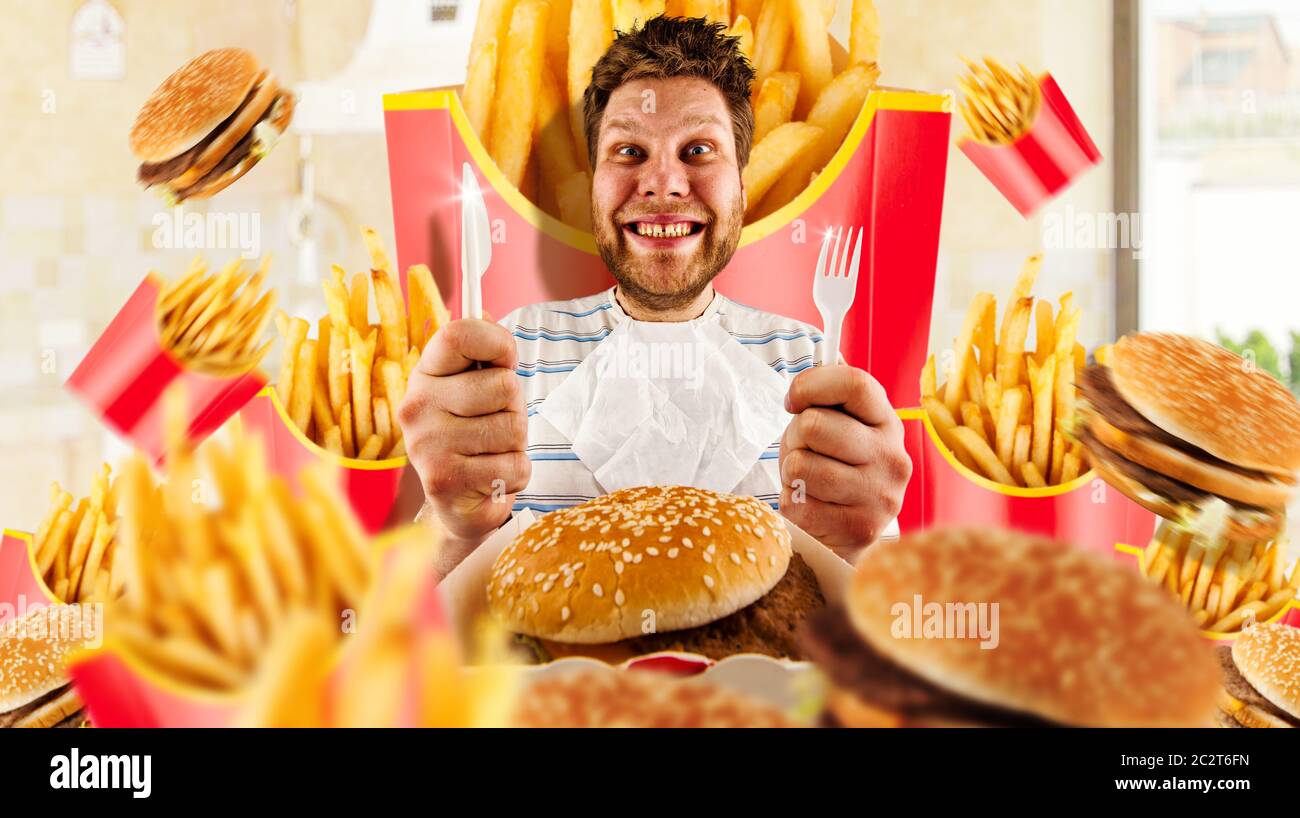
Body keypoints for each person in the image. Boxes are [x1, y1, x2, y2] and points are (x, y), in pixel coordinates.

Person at [397, 16, 910, 575]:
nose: (663, 183)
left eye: (696, 151)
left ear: (743, 180)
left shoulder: (817, 365)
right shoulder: (501, 356)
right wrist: (451, 524)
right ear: (592, 180)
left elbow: (890, 637)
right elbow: (422, 634)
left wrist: (858, 547)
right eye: (628, 152)